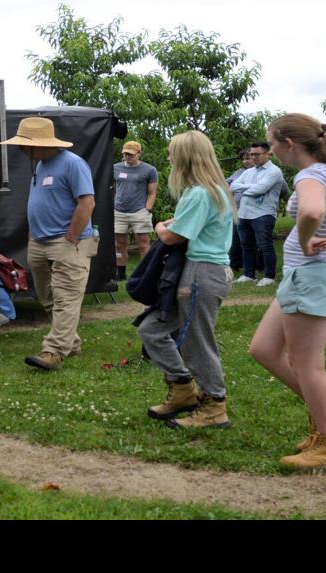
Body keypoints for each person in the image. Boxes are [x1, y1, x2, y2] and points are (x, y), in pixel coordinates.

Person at [248, 114, 326, 471]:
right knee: (264, 350)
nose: (269, 149)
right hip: (310, 275)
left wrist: (304, 238)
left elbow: (313, 210)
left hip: (314, 275)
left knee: (306, 364)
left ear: (289, 144)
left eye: (271, 142)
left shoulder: (310, 174)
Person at [136, 130, 236, 430]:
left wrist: (158, 225)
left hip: (200, 274)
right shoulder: (211, 190)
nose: (168, 158)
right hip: (201, 272)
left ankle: (215, 405)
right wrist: (170, 226)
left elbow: (174, 235)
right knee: (151, 330)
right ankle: (183, 390)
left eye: (172, 153)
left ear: (185, 158)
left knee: (197, 343)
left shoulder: (200, 193)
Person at [1, 117, 98, 372]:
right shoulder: (41, 165)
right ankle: (71, 342)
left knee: (65, 298)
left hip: (67, 243)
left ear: (39, 144)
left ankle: (53, 350)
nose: (20, 148)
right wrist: (32, 237)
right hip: (40, 243)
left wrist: (71, 238)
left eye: (23, 144)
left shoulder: (73, 164)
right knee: (48, 298)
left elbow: (87, 202)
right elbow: (40, 205)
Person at [230, 140, 285, 287]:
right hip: (244, 213)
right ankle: (249, 274)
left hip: (263, 214)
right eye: (252, 154)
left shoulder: (274, 171)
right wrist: (252, 188)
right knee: (246, 245)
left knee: (264, 245)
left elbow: (260, 189)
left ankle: (269, 276)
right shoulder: (248, 172)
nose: (253, 157)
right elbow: (233, 185)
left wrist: (244, 189)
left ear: (268, 154)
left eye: (257, 154)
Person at [111, 141, 158, 281]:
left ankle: (145, 273)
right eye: (125, 153)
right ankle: (121, 274)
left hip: (139, 211)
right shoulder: (115, 168)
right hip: (119, 212)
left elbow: (152, 192)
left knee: (143, 243)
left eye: (131, 154)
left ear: (139, 153)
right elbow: (112, 188)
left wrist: (147, 209)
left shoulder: (149, 170)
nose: (127, 156)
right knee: (119, 244)